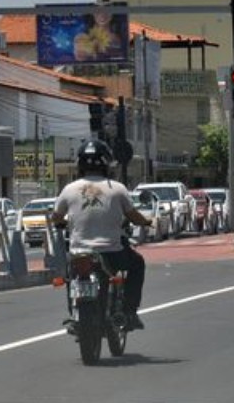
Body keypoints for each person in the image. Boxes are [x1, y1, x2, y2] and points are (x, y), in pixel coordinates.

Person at [49, 139, 152, 330]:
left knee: (73, 277)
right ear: (106, 162)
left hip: (80, 252)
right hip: (112, 252)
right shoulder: (117, 188)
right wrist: (146, 221)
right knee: (137, 264)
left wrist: (64, 223)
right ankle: (130, 312)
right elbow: (133, 216)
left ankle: (74, 314)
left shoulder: (69, 189)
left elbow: (55, 217)